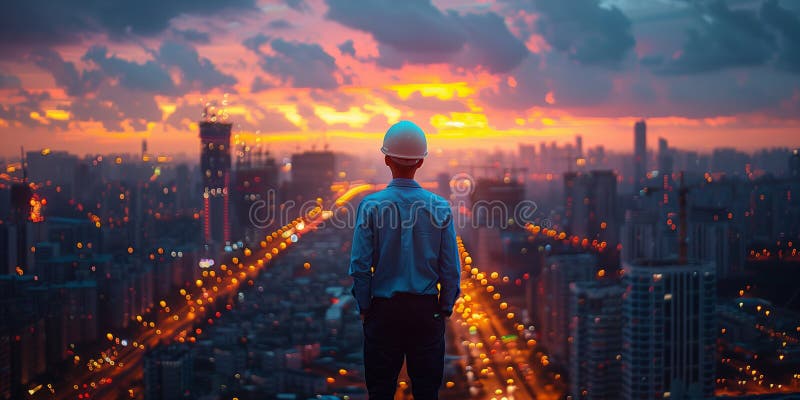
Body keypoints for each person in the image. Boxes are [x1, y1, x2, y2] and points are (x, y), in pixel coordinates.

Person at [349, 120, 461, 400]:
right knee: (426, 392)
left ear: (386, 159)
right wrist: (444, 308)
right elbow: (450, 271)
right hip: (426, 312)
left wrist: (365, 308)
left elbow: (361, 267)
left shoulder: (371, 206)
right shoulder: (440, 207)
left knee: (380, 391)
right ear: (421, 162)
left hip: (383, 311)